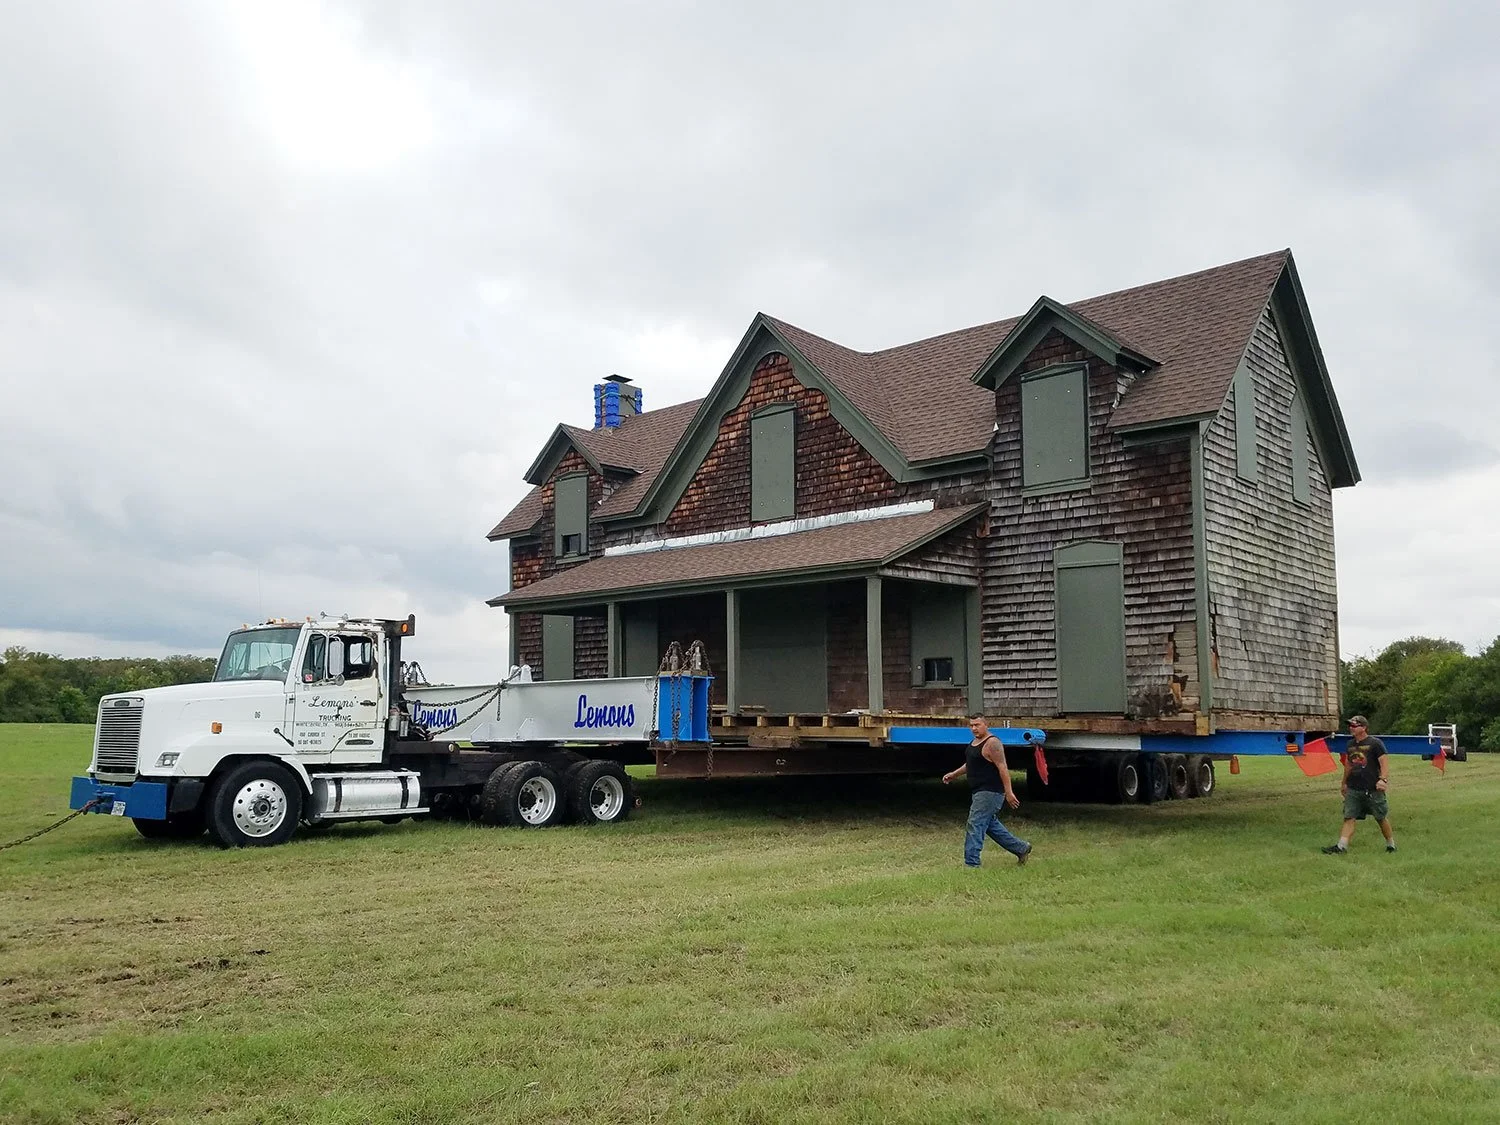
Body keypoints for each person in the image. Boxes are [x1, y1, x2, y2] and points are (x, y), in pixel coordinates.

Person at [942, 713, 1032, 867]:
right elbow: (971, 764)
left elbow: (1003, 768)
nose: (974, 728)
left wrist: (1009, 792)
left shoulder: (993, 743)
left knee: (975, 824)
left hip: (990, 791)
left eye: (977, 725)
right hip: (978, 790)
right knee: (990, 825)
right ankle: (1021, 848)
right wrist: (954, 774)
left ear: (986, 725)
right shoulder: (975, 742)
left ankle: (972, 864)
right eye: (971, 725)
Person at [1322, 715, 1396, 854]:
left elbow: (1384, 763)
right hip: (1354, 788)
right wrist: (1344, 783)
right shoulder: (1350, 745)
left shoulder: (1375, 743)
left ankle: (1391, 845)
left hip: (1373, 788)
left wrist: (1383, 779)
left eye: (1354, 726)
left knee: (1380, 817)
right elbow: (1348, 765)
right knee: (1349, 817)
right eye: (1350, 725)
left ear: (1364, 728)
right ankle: (1341, 847)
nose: (1351, 728)